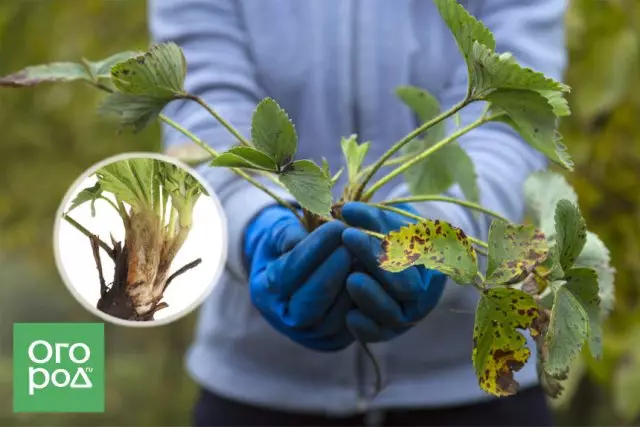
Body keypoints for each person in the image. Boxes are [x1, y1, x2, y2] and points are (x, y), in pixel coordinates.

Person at [148, 0, 567, 425]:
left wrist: (435, 235)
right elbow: (202, 116)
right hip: (256, 388)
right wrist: (253, 228)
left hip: (479, 389)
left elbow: (511, 116)